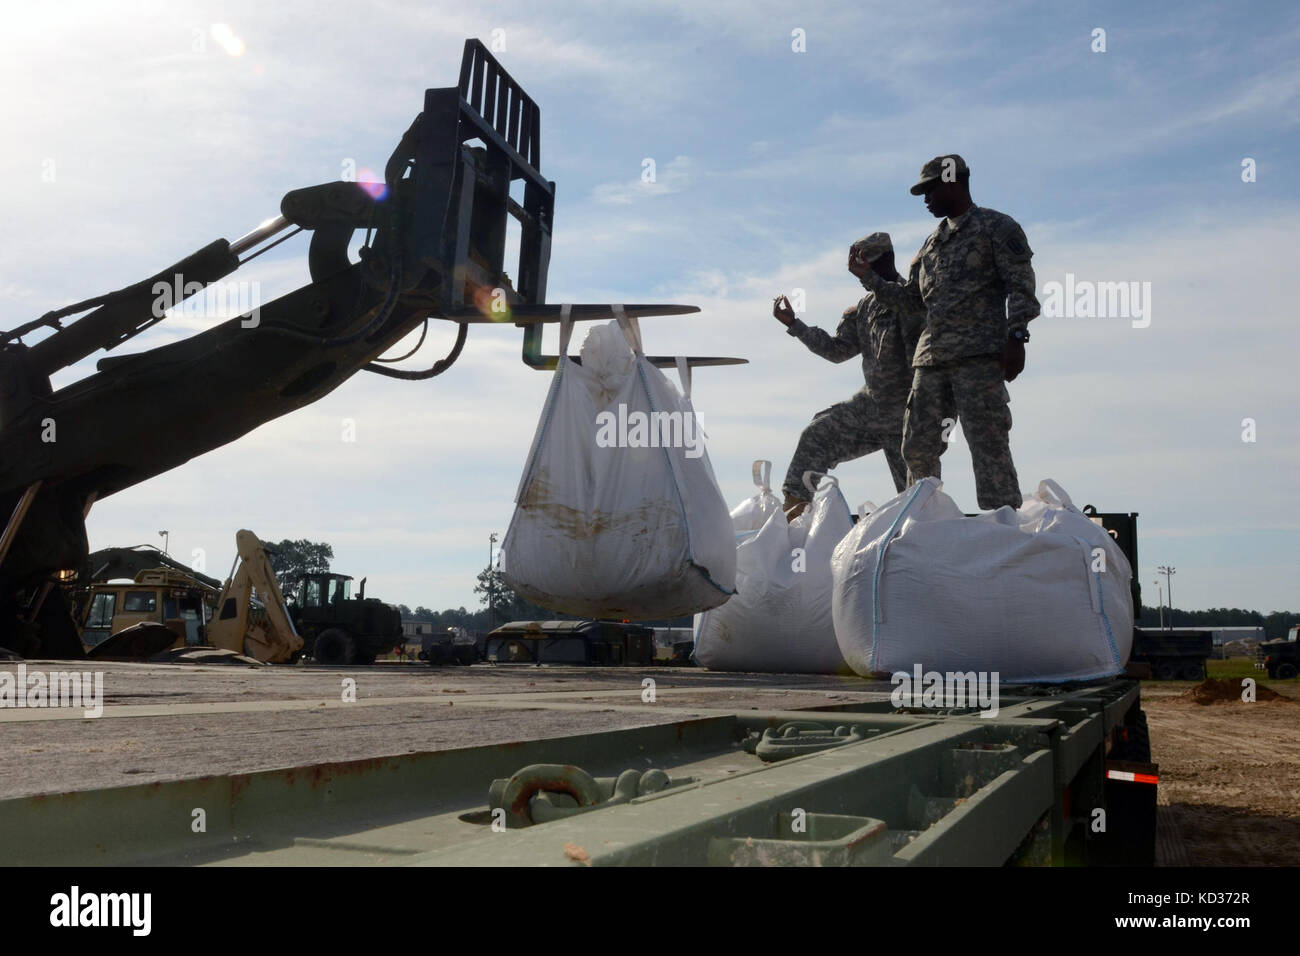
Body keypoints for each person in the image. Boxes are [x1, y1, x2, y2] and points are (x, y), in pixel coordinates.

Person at [853, 154, 1039, 510]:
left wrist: (1017, 337)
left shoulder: (997, 228)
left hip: (978, 358)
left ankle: (1003, 526)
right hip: (931, 361)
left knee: (987, 443)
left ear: (952, 181)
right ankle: (921, 519)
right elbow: (911, 301)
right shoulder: (930, 246)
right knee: (918, 445)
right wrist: (869, 279)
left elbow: (1020, 285)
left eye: (929, 190)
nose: (925, 200)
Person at [774, 232, 924, 519]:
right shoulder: (864, 309)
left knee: (916, 497)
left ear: (888, 260)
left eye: (868, 264)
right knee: (816, 433)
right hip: (872, 408)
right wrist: (795, 325)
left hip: (910, 413)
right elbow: (837, 350)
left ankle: (923, 542)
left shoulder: (911, 299)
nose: (862, 271)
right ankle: (795, 519)